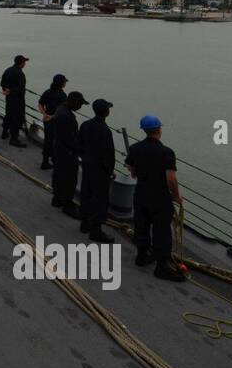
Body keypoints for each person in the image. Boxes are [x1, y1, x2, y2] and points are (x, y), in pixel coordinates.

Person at [123, 114, 185, 282]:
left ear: (144, 130)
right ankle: (161, 267)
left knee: (141, 226)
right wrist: (177, 197)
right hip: (160, 198)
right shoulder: (167, 152)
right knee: (162, 231)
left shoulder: (135, 148)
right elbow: (171, 178)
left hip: (141, 194)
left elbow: (132, 170)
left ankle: (141, 257)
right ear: (159, 130)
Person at [77, 98, 116, 243]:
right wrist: (109, 170)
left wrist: (85, 159)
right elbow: (109, 154)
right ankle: (96, 231)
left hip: (87, 166)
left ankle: (84, 224)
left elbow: (79, 144)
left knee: (86, 194)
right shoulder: (105, 131)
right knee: (100, 200)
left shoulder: (85, 125)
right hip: (100, 171)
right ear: (106, 112)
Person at [50, 91, 84, 215]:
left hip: (59, 149)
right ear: (73, 102)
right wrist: (80, 150)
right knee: (69, 179)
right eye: (79, 104)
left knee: (58, 175)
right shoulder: (66, 116)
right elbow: (70, 139)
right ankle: (67, 205)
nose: (80, 107)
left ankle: (57, 199)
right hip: (67, 153)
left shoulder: (60, 109)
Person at [37, 74, 68, 171]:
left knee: (48, 141)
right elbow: (62, 111)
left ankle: (45, 161)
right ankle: (54, 160)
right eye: (64, 82)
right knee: (57, 141)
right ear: (62, 83)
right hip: (56, 122)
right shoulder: (63, 96)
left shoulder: (48, 92)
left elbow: (40, 104)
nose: (65, 83)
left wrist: (45, 114)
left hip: (47, 120)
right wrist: (52, 117)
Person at [0, 55, 28, 146]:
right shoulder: (19, 73)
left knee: (8, 114)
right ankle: (14, 138)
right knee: (17, 118)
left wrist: (6, 90)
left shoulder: (8, 70)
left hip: (9, 98)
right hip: (17, 99)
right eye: (24, 62)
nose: (25, 64)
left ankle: (4, 133)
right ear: (21, 63)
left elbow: (2, 83)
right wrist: (12, 91)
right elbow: (21, 88)